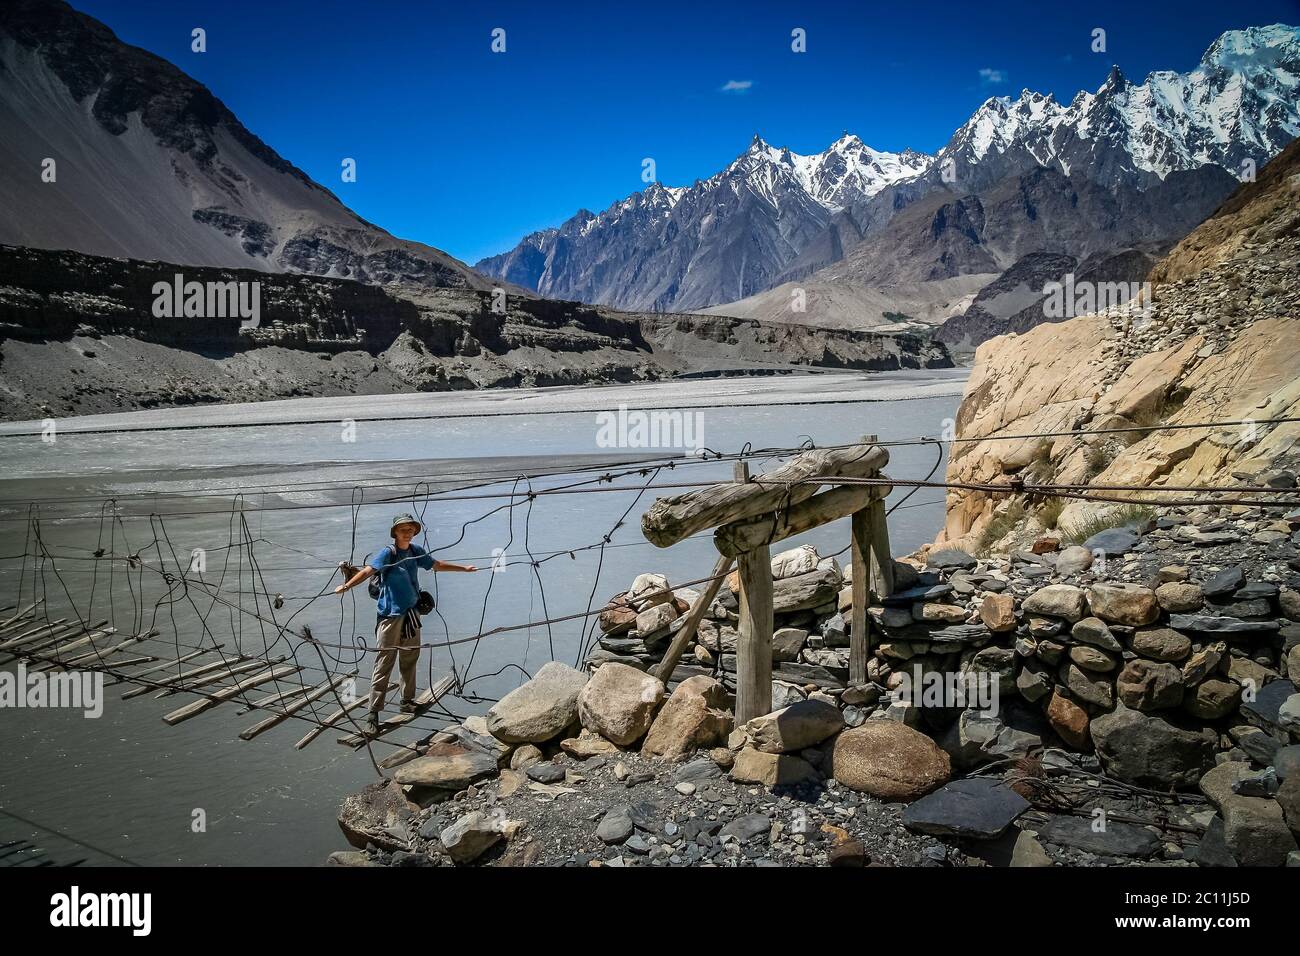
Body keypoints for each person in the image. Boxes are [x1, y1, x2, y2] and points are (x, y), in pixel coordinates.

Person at [334, 513, 475, 735]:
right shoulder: (387, 553)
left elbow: (436, 565)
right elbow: (369, 571)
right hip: (390, 616)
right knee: (384, 662)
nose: (407, 532)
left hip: (411, 613)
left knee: (410, 659)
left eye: (410, 529)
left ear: (414, 531)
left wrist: (464, 569)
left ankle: (407, 701)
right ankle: (373, 713)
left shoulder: (415, 551)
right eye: (403, 529)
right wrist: (347, 586)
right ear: (395, 532)